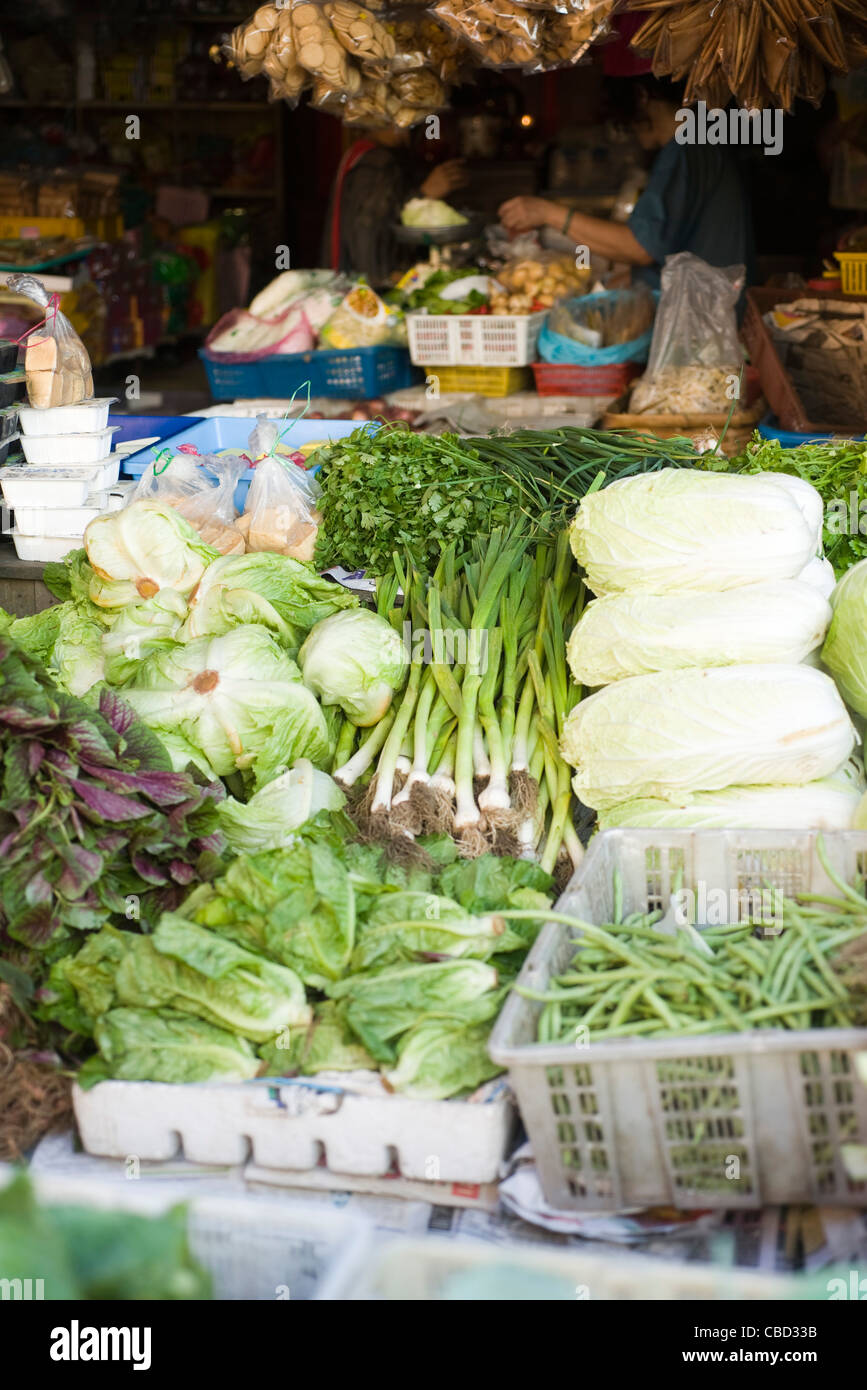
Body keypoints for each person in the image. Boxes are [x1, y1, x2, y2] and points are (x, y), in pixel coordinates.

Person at [499, 77, 756, 291]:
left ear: (642, 96)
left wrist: (546, 212)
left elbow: (640, 247)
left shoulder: (686, 150)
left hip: (706, 318)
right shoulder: (698, 143)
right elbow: (670, 243)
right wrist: (630, 279)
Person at [321, 127, 467, 286]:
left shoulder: (363, 153)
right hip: (366, 287)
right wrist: (423, 194)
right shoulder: (377, 162)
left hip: (354, 281)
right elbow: (369, 233)